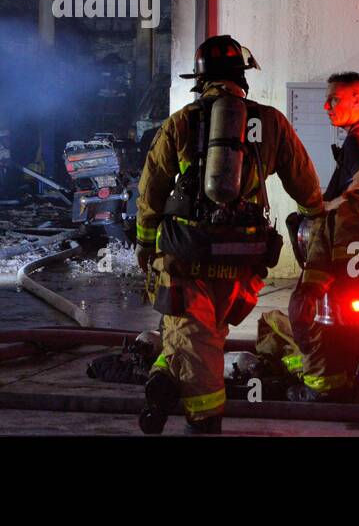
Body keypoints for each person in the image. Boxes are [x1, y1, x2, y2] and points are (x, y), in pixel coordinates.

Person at [135, 35, 325, 434]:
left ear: (200, 80)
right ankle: (163, 380)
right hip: (244, 258)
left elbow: (151, 188)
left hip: (187, 255)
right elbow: (306, 186)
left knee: (194, 337)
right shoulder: (271, 123)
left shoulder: (183, 121)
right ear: (243, 77)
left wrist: (145, 242)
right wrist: (316, 222)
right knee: (202, 335)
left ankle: (204, 421)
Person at [256, 71, 359, 401]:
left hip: (340, 245)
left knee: (305, 307)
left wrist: (325, 207)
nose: (327, 105)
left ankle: (319, 381)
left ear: (357, 98)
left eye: (334, 98)